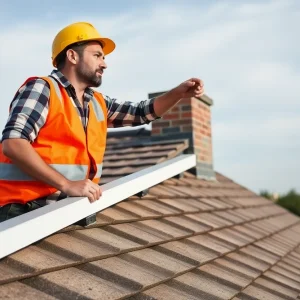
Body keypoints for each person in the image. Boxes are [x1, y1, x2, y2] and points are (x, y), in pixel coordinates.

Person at [0, 22, 204, 223]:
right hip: (20, 212)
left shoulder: (96, 102)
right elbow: (13, 143)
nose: (104, 64)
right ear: (72, 56)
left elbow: (142, 112)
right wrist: (66, 184)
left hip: (61, 211)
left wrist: (178, 93)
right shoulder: (42, 89)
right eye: (97, 55)